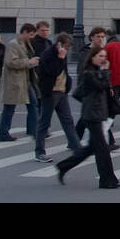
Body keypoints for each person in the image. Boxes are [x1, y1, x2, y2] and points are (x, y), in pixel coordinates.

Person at [56, 47, 120, 189]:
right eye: (100, 56)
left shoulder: (96, 72)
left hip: (97, 114)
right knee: (103, 150)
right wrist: (106, 72)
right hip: (92, 116)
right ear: (92, 57)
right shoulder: (89, 73)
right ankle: (107, 180)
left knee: (92, 147)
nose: (103, 59)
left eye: (104, 56)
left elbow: (78, 93)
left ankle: (63, 166)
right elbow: (100, 86)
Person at [34, 33, 82, 163]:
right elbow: (53, 72)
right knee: (44, 122)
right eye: (66, 46)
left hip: (61, 91)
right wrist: (60, 58)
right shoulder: (48, 55)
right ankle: (39, 152)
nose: (68, 49)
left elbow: (63, 71)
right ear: (59, 44)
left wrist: (67, 84)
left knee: (68, 121)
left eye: (69, 47)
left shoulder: (62, 54)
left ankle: (77, 148)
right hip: (50, 92)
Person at [0, 23, 40, 142]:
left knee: (33, 105)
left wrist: (33, 62)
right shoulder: (13, 44)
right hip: (15, 81)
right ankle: (3, 133)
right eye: (31, 34)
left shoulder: (26, 43)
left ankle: (35, 131)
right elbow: (10, 62)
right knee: (9, 107)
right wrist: (29, 62)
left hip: (25, 80)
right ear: (24, 32)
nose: (32, 37)